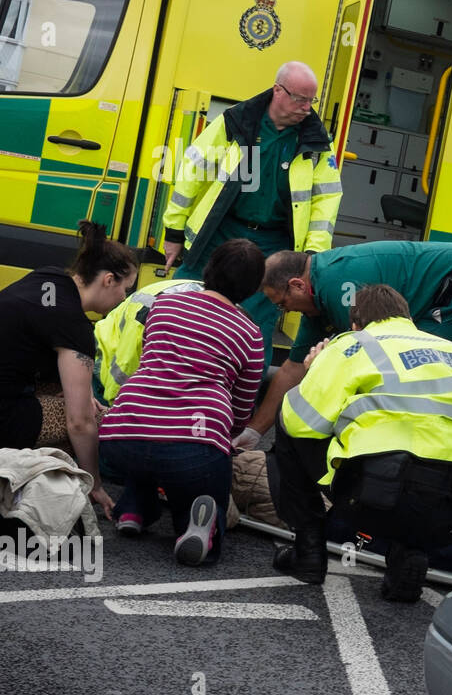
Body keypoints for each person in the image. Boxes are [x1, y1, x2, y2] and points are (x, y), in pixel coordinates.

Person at [270, 283, 452, 601]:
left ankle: (308, 553)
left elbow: (303, 421)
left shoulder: (354, 345)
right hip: (451, 504)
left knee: (287, 416)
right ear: (407, 317)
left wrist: (315, 372)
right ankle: (408, 552)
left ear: (356, 324)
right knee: (423, 469)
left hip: (374, 494)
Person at [242, 239, 452, 445]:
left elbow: (356, 358)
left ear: (297, 285)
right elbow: (293, 368)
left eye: (283, 303)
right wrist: (253, 432)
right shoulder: (317, 294)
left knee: (423, 375)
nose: (286, 311)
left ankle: (443, 448)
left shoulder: (337, 285)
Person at [161, 61, 341, 368]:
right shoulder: (235, 122)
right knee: (182, 302)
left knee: (255, 324)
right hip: (220, 233)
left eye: (312, 100)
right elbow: (193, 173)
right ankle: (163, 373)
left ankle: (239, 403)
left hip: (273, 244)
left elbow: (326, 200)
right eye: (300, 98)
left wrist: (312, 256)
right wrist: (174, 231)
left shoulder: (316, 142)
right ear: (277, 91)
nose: (306, 108)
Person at [98, 239, 266, 566]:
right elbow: (242, 407)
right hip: (192, 444)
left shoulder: (164, 305)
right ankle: (197, 527)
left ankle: (132, 509)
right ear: (253, 287)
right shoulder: (250, 333)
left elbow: (144, 357)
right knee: (200, 474)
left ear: (209, 268)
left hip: (121, 434)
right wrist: (221, 439)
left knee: (151, 434)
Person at [0, 221, 137, 518]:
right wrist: (95, 482)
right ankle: (35, 487)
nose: (124, 299)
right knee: (98, 421)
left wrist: (83, 397)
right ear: (109, 280)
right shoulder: (74, 326)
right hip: (5, 412)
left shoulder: (46, 278)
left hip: (10, 384)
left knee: (83, 402)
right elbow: (79, 422)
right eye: (126, 289)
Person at [93, 277, 205, 404]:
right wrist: (116, 408)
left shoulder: (211, 306)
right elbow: (123, 370)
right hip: (105, 359)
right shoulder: (148, 317)